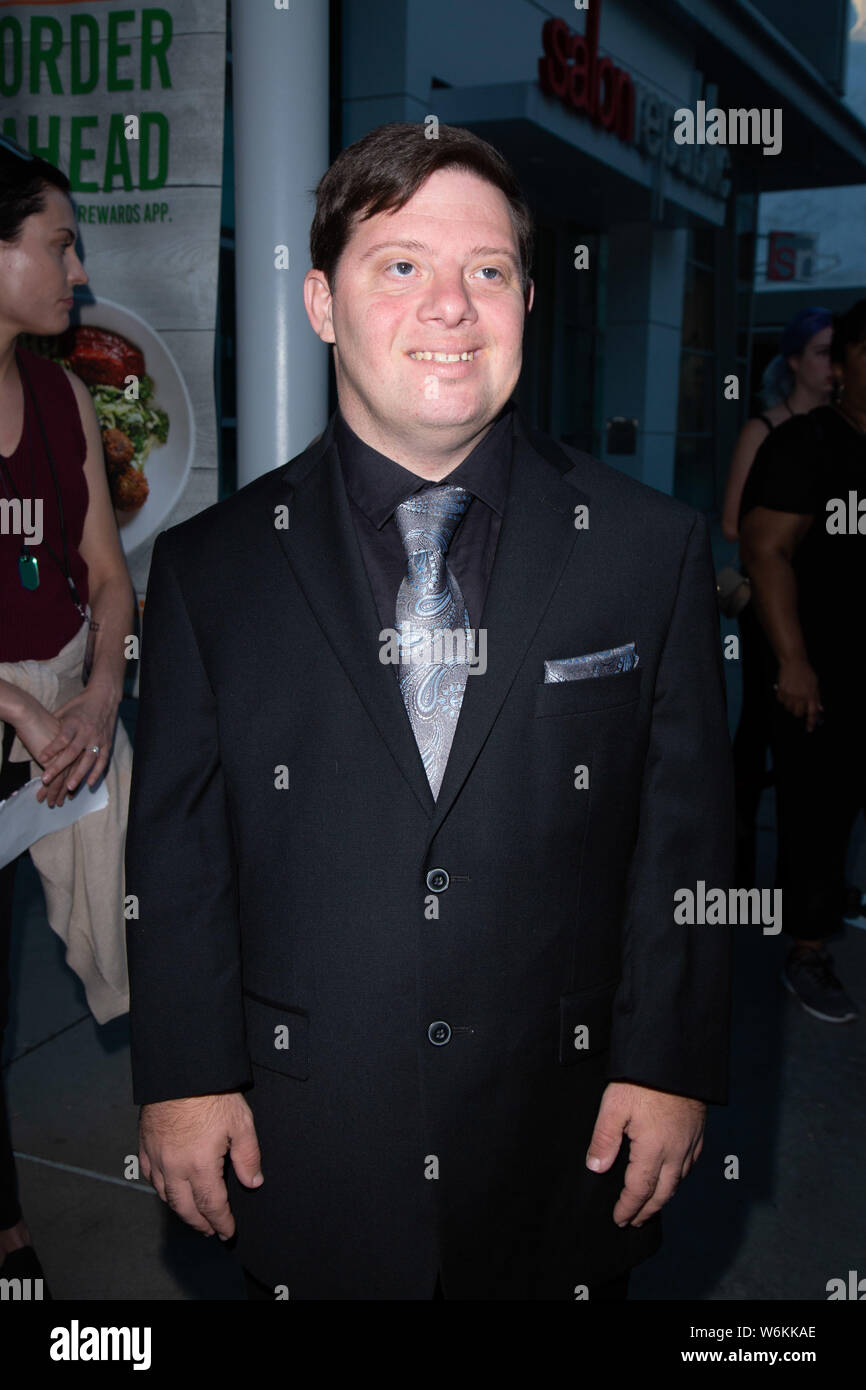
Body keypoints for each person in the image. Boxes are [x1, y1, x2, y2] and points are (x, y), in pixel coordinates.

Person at [126, 122, 735, 1301]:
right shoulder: (214, 570)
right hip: (306, 1139)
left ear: (525, 300)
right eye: (398, 264)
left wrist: (668, 1062)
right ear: (319, 302)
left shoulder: (643, 549)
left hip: (561, 1140)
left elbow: (684, 840)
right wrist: (184, 1074)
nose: (449, 305)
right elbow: (180, 856)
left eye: (488, 271)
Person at [0, 136, 136, 1286]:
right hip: (15, 716)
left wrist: (94, 694)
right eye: (57, 243)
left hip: (60, 707)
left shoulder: (59, 394)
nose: (78, 270)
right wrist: (16, 707)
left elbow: (105, 572)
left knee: (152, 913)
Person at [740, 298, 866, 1024]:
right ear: (843, 367)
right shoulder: (805, 445)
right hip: (821, 674)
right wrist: (793, 661)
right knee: (817, 815)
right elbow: (764, 550)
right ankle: (808, 949)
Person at [721, 309, 833, 886]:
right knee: (766, 730)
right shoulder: (764, 430)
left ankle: (813, 873)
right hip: (771, 602)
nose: (833, 364)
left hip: (830, 608)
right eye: (820, 351)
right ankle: (737, 851)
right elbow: (735, 524)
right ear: (793, 361)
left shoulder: (843, 432)